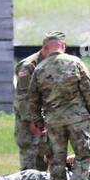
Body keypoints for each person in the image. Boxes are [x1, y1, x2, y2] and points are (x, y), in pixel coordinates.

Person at [26, 35, 90, 180]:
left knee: (56, 157)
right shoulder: (75, 63)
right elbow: (88, 91)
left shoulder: (39, 69)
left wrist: (39, 120)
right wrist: (89, 111)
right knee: (83, 152)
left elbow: (33, 99)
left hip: (53, 120)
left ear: (45, 49)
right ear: (63, 46)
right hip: (77, 118)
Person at [14, 33, 62, 171]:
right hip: (28, 120)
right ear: (45, 49)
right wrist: (32, 121)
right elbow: (23, 96)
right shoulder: (28, 66)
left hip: (44, 117)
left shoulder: (54, 62)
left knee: (44, 154)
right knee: (30, 155)